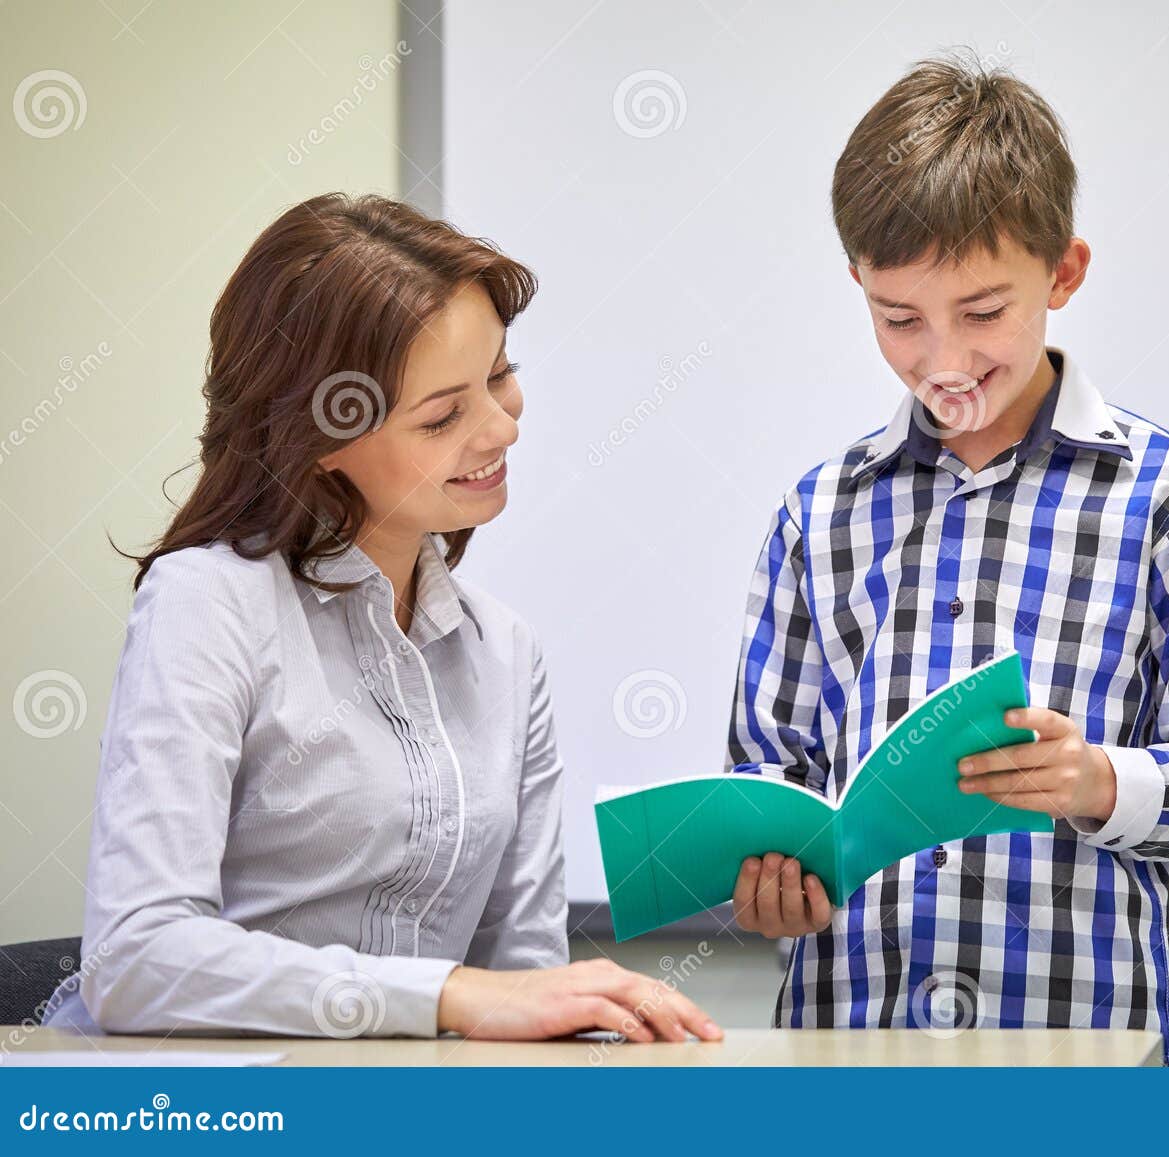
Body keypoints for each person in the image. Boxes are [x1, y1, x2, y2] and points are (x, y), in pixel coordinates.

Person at [42, 193, 720, 1044]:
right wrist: (449, 997)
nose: (502, 426)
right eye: (443, 415)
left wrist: (592, 1021)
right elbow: (136, 961)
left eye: (501, 375)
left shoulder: (505, 652)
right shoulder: (205, 604)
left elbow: (524, 983)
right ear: (319, 437)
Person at [725, 55, 1169, 1067]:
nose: (941, 357)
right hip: (846, 1053)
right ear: (858, 282)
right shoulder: (819, 512)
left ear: (1063, 272)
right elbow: (769, 773)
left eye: (982, 312)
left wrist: (1099, 780)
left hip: (1080, 1055)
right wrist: (768, 869)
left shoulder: (1167, 496)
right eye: (898, 318)